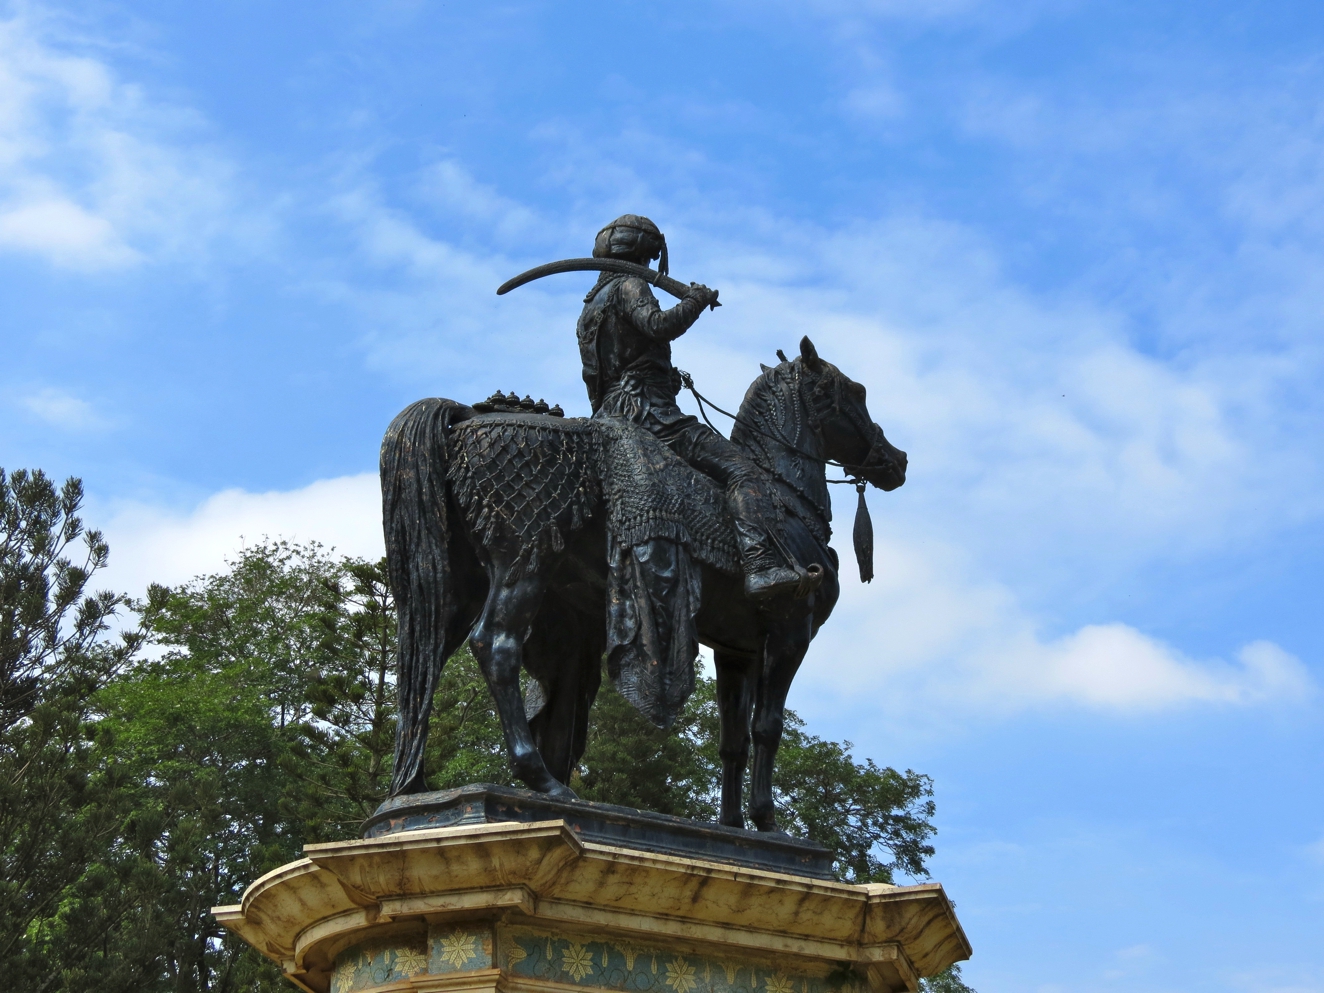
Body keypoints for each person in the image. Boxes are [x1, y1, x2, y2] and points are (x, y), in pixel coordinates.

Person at [577, 214, 821, 601]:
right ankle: (760, 564)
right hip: (654, 417)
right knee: (745, 473)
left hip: (611, 413)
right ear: (648, 251)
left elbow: (599, 376)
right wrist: (694, 300)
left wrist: (662, 378)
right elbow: (657, 325)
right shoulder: (631, 284)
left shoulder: (590, 307)